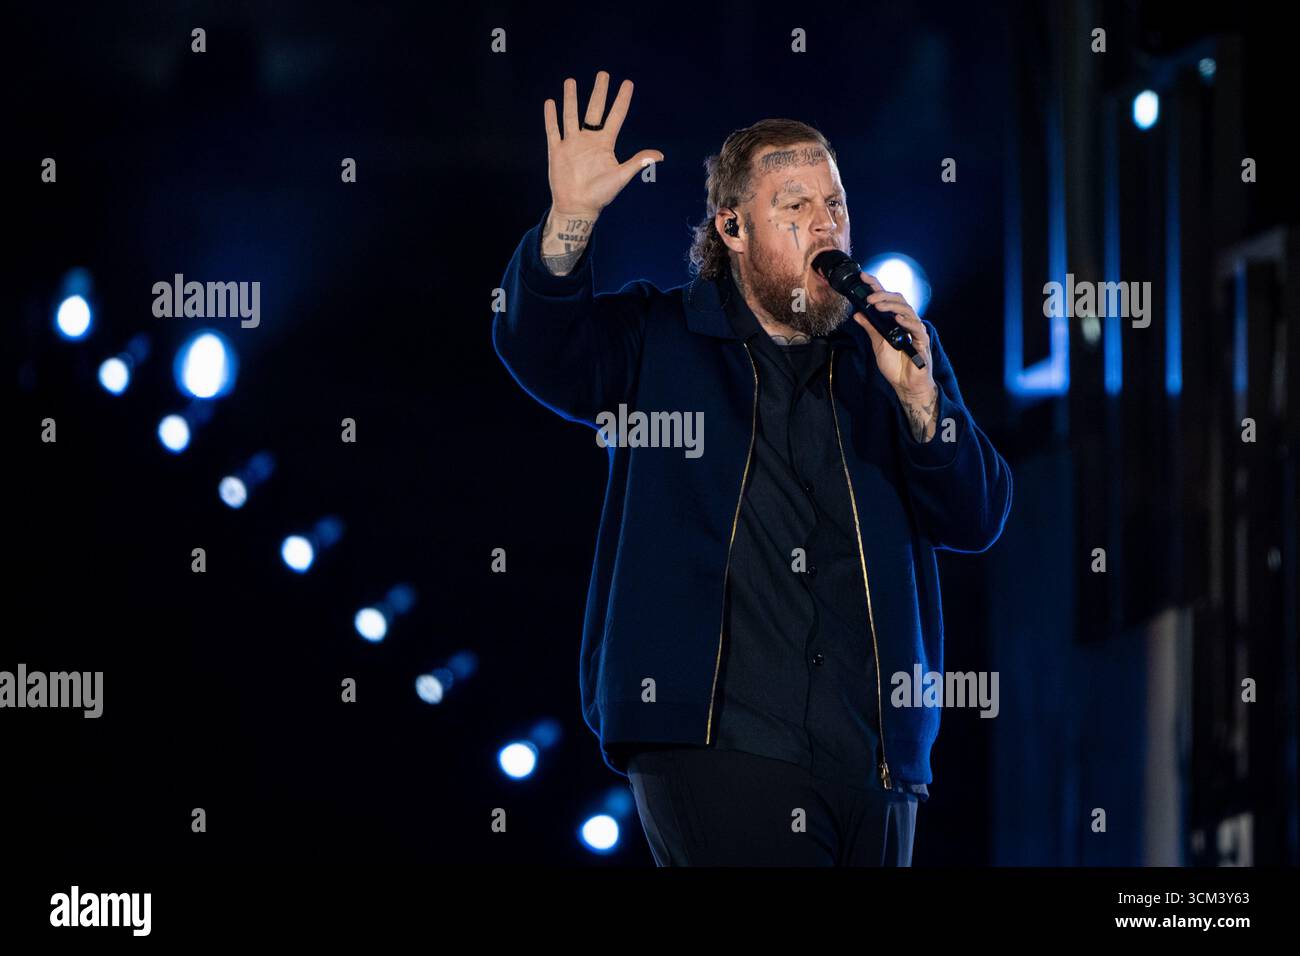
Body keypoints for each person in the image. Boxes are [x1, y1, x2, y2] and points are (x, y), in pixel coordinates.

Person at [492, 71, 1013, 865]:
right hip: (712, 743)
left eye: (834, 204)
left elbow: (978, 519)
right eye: (794, 206)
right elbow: (540, 348)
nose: (824, 224)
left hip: (875, 760)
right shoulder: (661, 339)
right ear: (732, 228)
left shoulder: (890, 358)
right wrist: (570, 219)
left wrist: (920, 402)